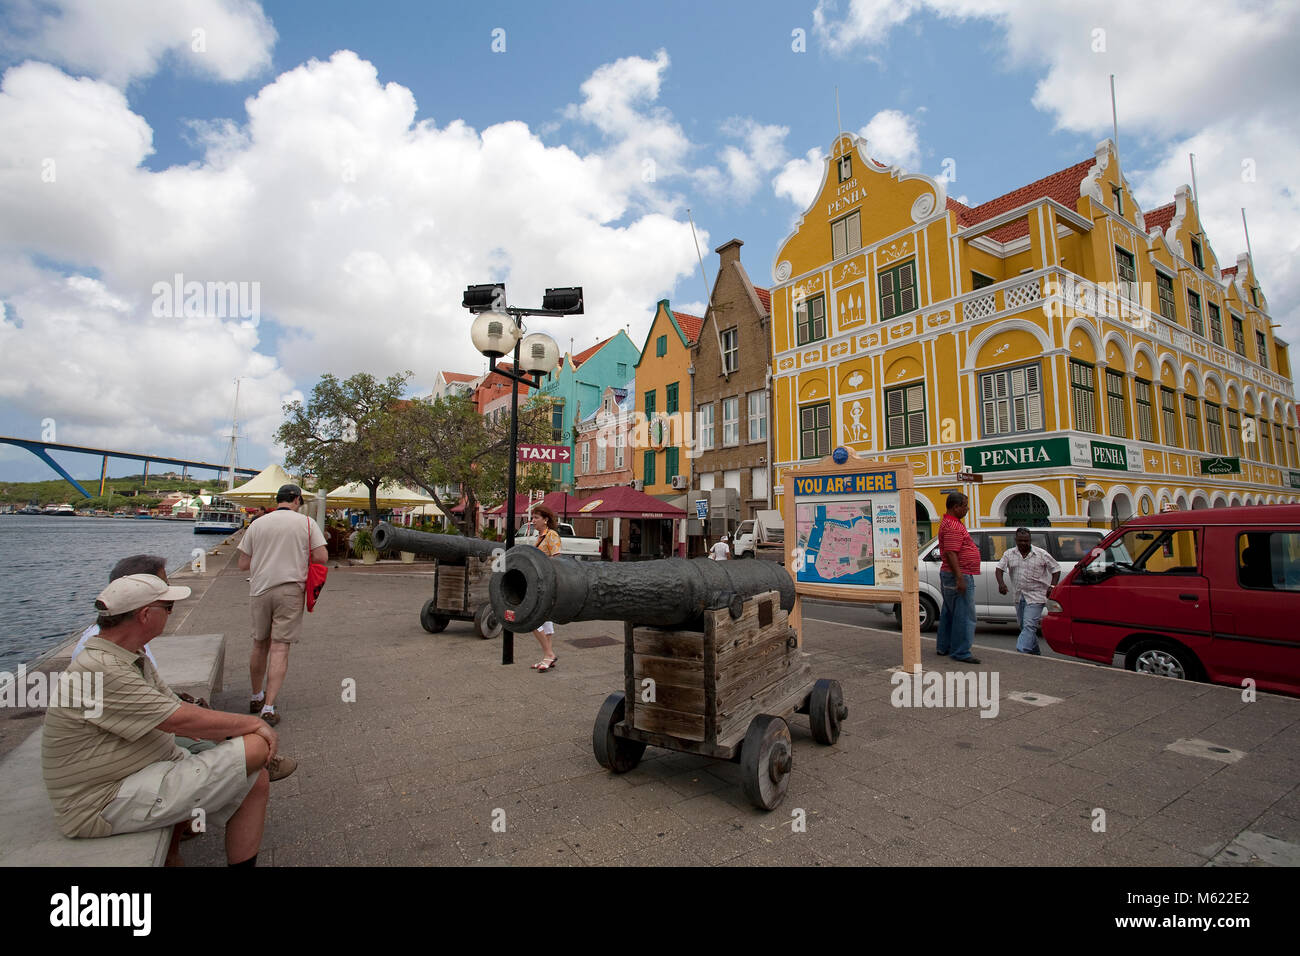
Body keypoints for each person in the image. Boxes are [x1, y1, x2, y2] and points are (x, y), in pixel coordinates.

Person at [42, 574, 296, 867]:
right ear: (146, 615)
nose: (170, 613)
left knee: (255, 778)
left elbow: (173, 707)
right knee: (254, 748)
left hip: (129, 777)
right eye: (169, 608)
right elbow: (177, 719)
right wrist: (254, 724)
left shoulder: (128, 656)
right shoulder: (101, 669)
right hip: (101, 802)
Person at [74, 554, 214, 752]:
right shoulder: (103, 655)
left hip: (138, 720)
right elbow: (144, 714)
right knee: (214, 750)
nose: (170, 612)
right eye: (167, 603)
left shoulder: (125, 638)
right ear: (144, 611)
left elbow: (154, 697)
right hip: (123, 737)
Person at [237, 483, 328, 726]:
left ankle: (256, 695)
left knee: (259, 644)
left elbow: (242, 563)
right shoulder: (307, 524)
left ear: (277, 500)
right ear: (297, 500)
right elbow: (321, 557)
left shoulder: (257, 524)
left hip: (259, 588)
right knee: (280, 648)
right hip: (290, 590)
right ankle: (268, 707)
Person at [995, 528, 1060, 655]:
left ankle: (1021, 651)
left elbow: (1056, 569)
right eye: (1020, 541)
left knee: (1029, 625)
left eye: (1026, 541)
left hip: (1037, 595)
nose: (1023, 543)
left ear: (1030, 540)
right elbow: (999, 569)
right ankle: (1035, 652)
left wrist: (1052, 586)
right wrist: (1001, 584)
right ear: (1016, 540)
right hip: (1019, 596)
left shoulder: (1041, 554)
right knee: (1024, 626)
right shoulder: (1009, 554)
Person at [936, 491, 981, 665]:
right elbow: (951, 553)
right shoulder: (953, 526)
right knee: (964, 614)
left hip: (953, 573)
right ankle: (961, 651)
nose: (967, 509)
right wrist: (960, 577)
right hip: (958, 574)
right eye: (965, 506)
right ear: (956, 507)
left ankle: (944, 646)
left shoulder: (950, 523)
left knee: (949, 612)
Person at [529, 506, 562, 672]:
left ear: (545, 519)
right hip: (541, 582)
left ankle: (549, 654)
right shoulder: (540, 537)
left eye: (536, 518)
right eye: (533, 517)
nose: (533, 521)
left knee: (532, 620)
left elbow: (556, 559)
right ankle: (547, 657)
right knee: (546, 624)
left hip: (547, 583)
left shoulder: (551, 535)